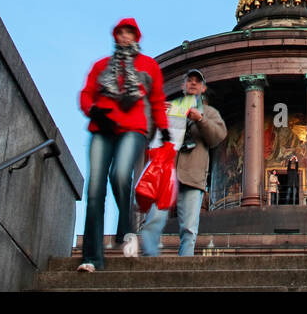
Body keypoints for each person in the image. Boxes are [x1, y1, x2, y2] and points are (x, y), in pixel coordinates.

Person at [77, 18, 167, 273]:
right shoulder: (101, 66)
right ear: (115, 36)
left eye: (130, 33)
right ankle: (92, 258)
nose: (125, 37)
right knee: (94, 190)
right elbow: (86, 93)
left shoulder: (148, 65)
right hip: (102, 128)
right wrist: (91, 109)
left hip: (133, 128)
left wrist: (165, 133)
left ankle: (126, 225)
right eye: (121, 33)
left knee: (119, 175)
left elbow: (158, 100)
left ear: (136, 37)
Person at [139, 69, 226, 257]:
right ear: (183, 86)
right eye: (189, 81)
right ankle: (147, 261)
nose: (193, 84)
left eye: (197, 81)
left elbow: (217, 137)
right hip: (166, 172)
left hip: (192, 175)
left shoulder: (209, 112)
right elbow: (150, 132)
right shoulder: (170, 108)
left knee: (188, 227)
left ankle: (184, 264)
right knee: (153, 220)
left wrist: (200, 119)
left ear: (203, 88)